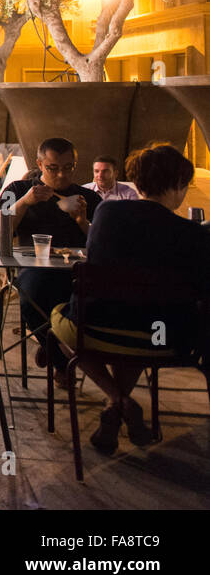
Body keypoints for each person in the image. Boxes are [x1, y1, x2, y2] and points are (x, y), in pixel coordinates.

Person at [52, 145, 210, 452]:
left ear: (137, 182)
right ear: (179, 184)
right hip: (160, 339)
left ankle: (117, 401)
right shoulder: (193, 233)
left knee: (58, 322)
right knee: (140, 321)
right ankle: (118, 402)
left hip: (94, 329)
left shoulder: (107, 213)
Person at [0, 136, 100, 379]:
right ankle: (62, 362)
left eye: (68, 168)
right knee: (33, 294)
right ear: (40, 164)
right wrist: (25, 202)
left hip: (77, 270)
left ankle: (52, 344)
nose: (61, 175)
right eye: (53, 168)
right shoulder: (17, 190)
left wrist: (82, 222)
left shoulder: (88, 197)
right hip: (34, 268)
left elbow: (102, 243)